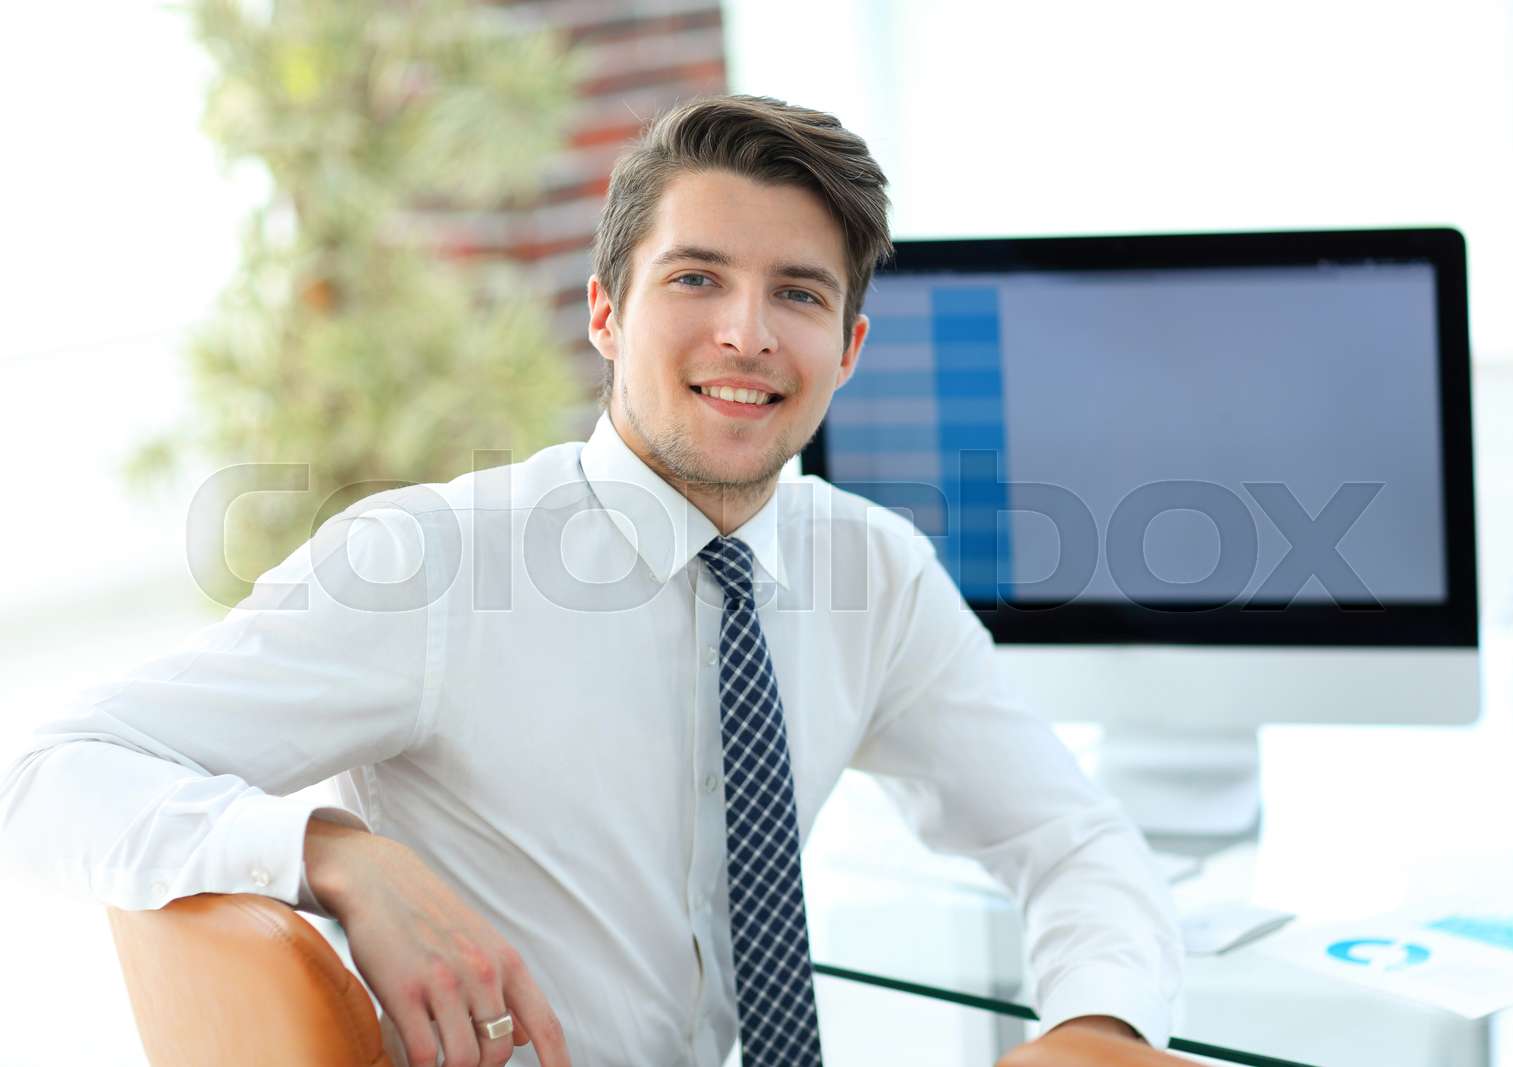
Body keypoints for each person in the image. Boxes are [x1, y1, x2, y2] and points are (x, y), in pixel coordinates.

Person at [0, 95, 1182, 1067]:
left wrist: (1094, 1020)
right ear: (607, 315)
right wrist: (331, 848)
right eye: (696, 279)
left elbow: (1071, 837)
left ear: (849, 351)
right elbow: (46, 779)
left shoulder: (870, 569)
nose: (747, 333)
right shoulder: (435, 563)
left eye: (799, 294)